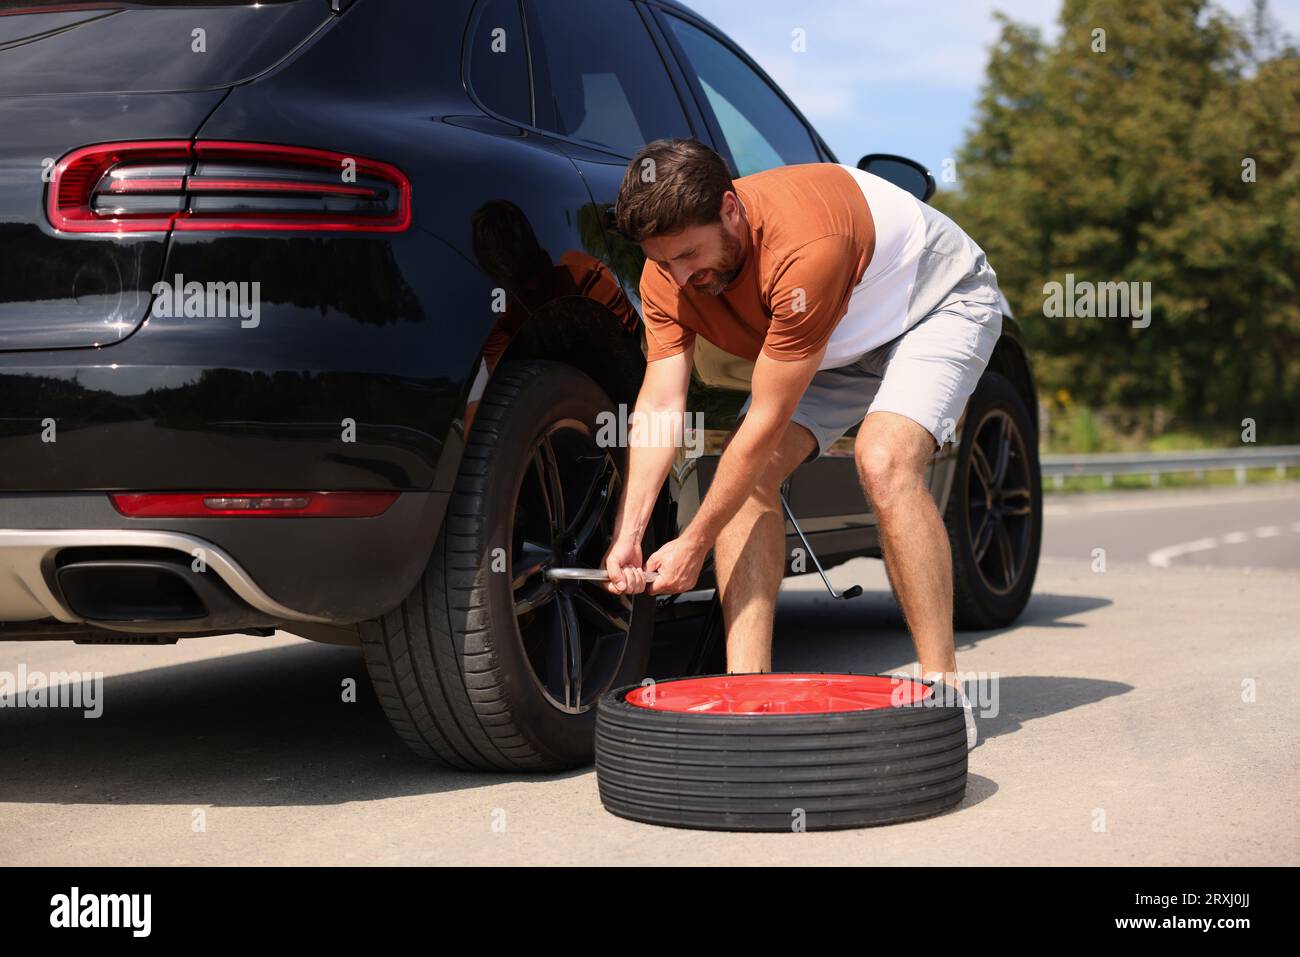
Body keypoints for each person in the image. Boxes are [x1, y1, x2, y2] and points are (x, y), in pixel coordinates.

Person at [603, 138, 1001, 745]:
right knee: (744, 480)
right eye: (664, 262)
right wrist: (629, 535)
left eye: (689, 253)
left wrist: (694, 542)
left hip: (936, 308)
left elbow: (763, 423)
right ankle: (748, 695)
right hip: (837, 342)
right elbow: (660, 405)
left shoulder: (805, 248)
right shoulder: (667, 276)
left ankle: (944, 694)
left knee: (883, 459)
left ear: (731, 211)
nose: (682, 277)